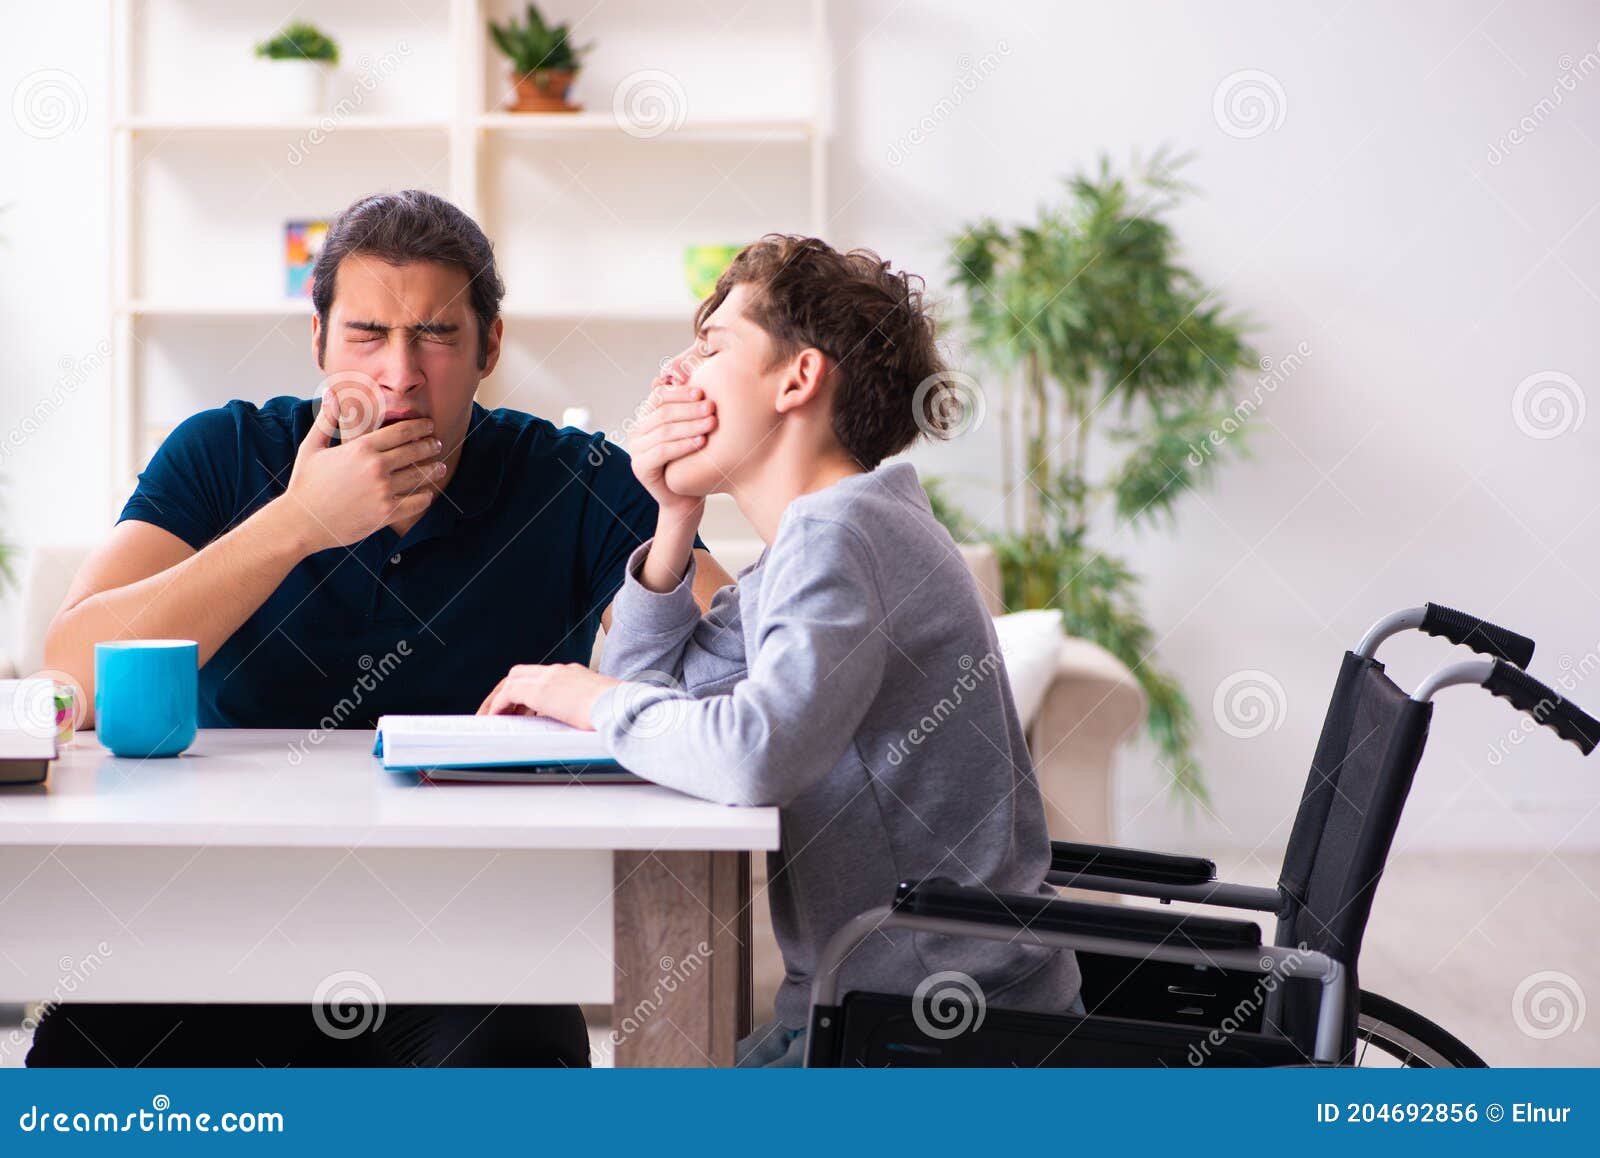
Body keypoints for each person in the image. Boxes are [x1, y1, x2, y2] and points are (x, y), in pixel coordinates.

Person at [33, 189, 731, 1067]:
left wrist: (710, 488)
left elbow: (742, 669)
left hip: (469, 944)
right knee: (79, 1064)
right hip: (208, 921)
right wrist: (296, 524)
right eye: (366, 334)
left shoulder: (572, 476)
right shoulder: (224, 451)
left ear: (490, 348)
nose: (400, 373)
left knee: (508, 1070)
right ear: (318, 340)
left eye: (435, 336)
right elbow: (72, 671)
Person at [478, 235, 1081, 1067]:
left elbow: (751, 753)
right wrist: (671, 518)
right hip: (873, 1011)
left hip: (934, 1040)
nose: (672, 375)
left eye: (712, 346)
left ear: (798, 379)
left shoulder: (845, 535)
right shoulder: (812, 543)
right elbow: (656, 695)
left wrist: (580, 696)